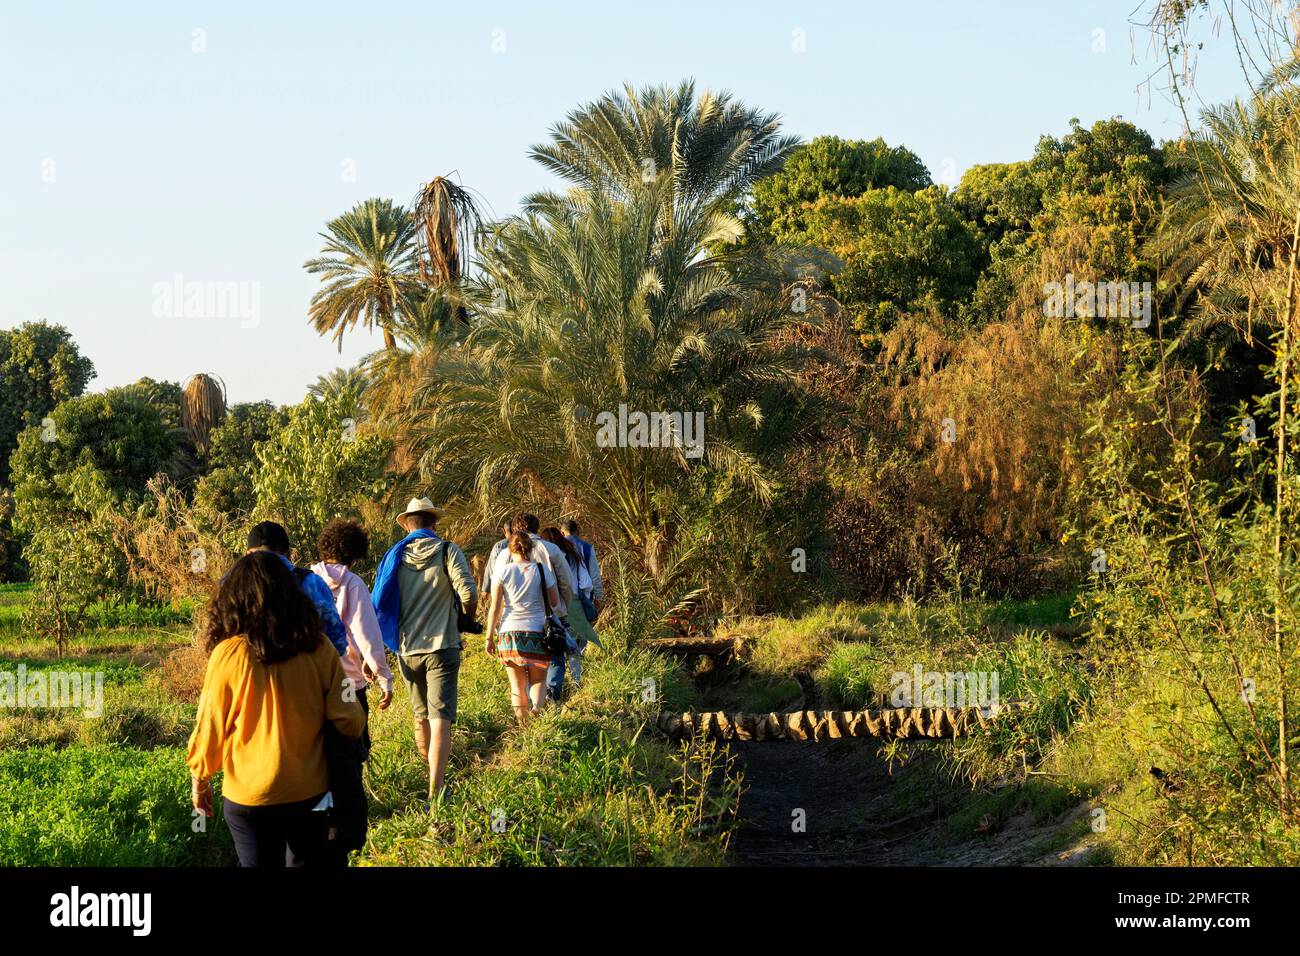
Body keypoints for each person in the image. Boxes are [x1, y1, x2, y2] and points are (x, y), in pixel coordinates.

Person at [188, 551, 365, 867]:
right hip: (311, 794)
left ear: (235, 598)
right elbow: (350, 721)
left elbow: (210, 728)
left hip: (249, 799)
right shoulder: (320, 648)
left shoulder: (227, 655)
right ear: (291, 594)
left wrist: (200, 780)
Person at [372, 497, 476, 803]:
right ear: (434, 523)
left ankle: (429, 775)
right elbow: (467, 591)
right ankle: (436, 789)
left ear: (406, 524)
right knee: (440, 718)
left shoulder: (395, 557)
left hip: (408, 650)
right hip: (442, 646)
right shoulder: (447, 550)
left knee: (420, 718)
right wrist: (466, 619)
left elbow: (378, 602)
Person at [311, 519, 395, 759]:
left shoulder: (307, 580)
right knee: (353, 745)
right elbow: (366, 634)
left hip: (313, 682)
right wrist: (384, 678)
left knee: (321, 752)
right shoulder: (352, 584)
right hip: (347, 683)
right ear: (355, 553)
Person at [483, 524, 560, 722]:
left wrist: (489, 637)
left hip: (509, 634)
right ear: (531, 548)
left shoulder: (502, 572)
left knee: (517, 686)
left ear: (510, 549)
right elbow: (554, 602)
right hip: (537, 632)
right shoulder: (542, 571)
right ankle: (536, 710)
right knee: (538, 680)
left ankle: (523, 724)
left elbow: (495, 608)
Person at [246, 520, 349, 657]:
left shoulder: (232, 585)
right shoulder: (311, 583)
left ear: (247, 554)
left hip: (249, 673)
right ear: (288, 553)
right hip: (305, 673)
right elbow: (338, 641)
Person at [540, 526, 601, 698]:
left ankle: (549, 691)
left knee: (552, 647)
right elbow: (587, 583)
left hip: (549, 610)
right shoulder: (573, 554)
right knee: (574, 649)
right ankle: (576, 684)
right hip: (572, 606)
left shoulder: (540, 558)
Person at [563, 519, 604, 621]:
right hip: (584, 596)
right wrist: (598, 597)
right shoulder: (587, 547)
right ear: (577, 531)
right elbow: (594, 574)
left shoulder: (558, 548)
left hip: (564, 596)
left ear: (562, 532)